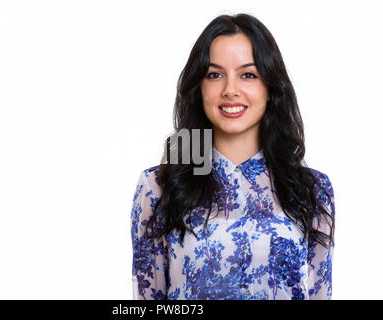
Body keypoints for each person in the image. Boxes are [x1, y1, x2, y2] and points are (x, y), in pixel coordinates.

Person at [130, 13, 335, 300]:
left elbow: (319, 293)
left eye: (248, 75)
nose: (230, 90)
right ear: (198, 88)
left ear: (271, 88)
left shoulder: (312, 188)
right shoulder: (158, 185)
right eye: (214, 75)